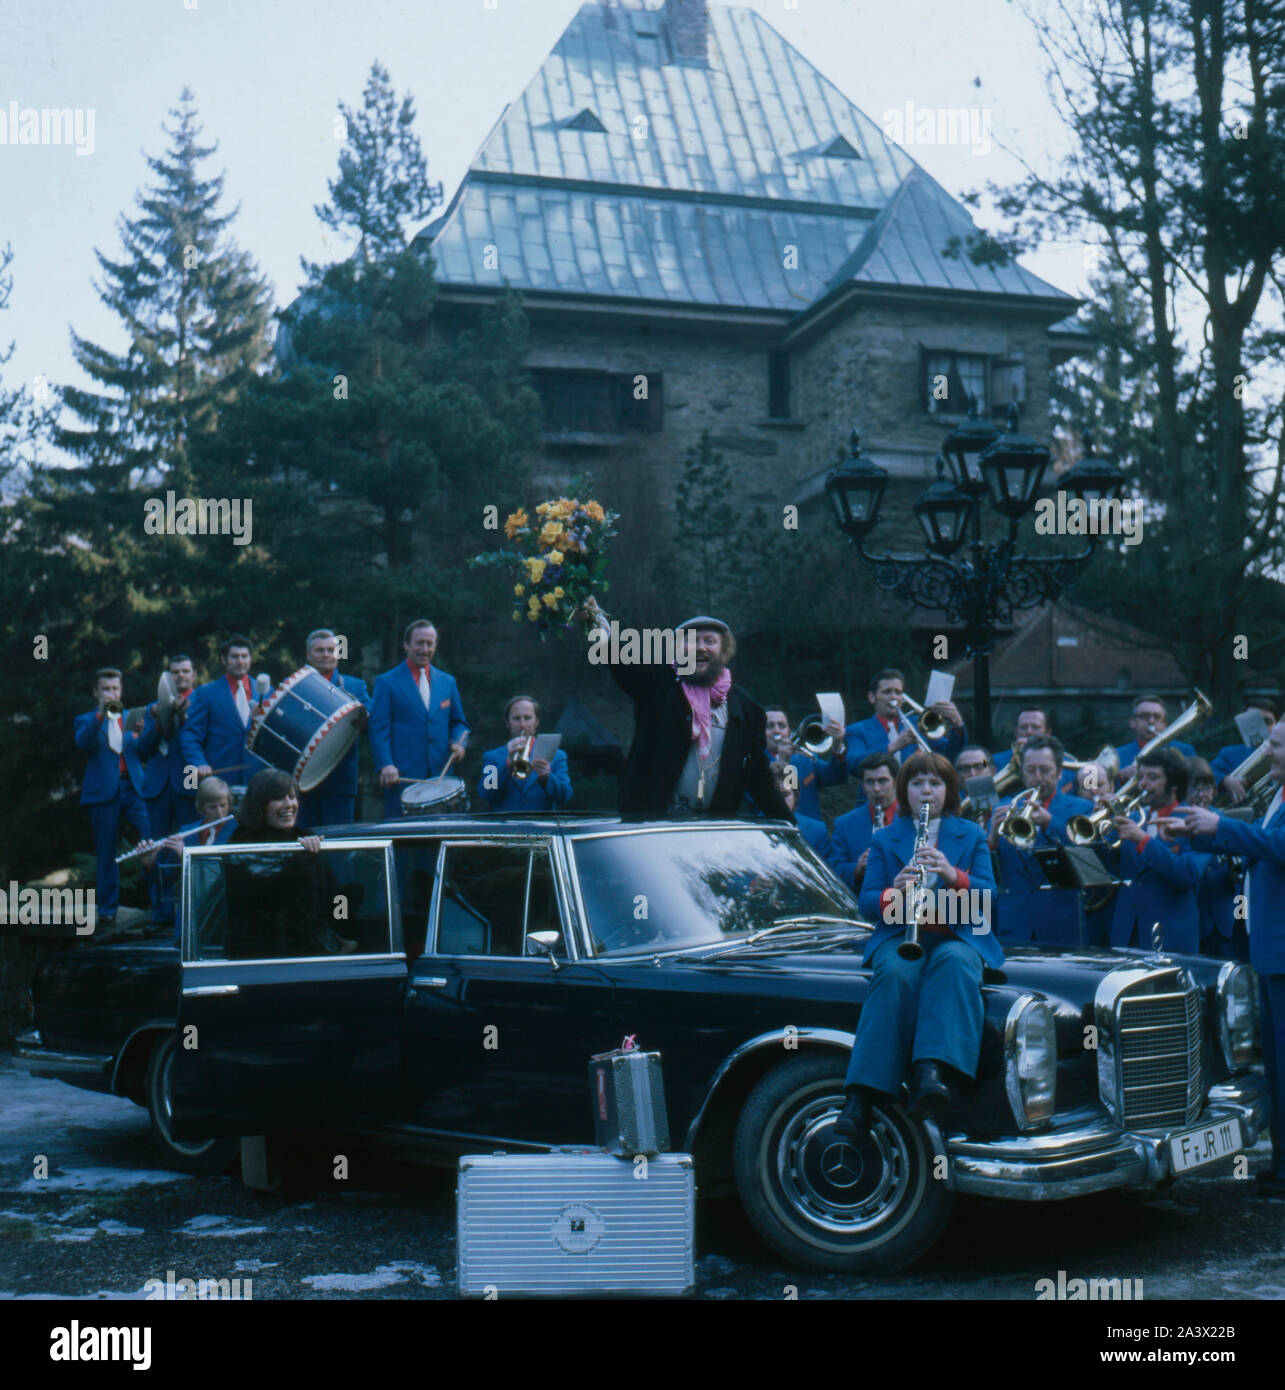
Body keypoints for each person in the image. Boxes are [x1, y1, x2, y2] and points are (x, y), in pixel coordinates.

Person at [833, 751, 1000, 1138]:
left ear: (949, 789)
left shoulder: (971, 834)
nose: (926, 791)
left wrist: (953, 874)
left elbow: (989, 899)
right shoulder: (886, 838)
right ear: (903, 790)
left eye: (936, 783)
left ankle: (932, 1073)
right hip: (902, 931)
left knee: (957, 964)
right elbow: (867, 900)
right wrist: (896, 891)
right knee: (893, 972)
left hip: (957, 932)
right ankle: (862, 1095)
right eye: (917, 783)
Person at [1167, 716, 1285, 1198]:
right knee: (1275, 1065)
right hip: (1270, 947)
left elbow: (1278, 846)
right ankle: (1281, 1166)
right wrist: (1197, 830)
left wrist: (1220, 826)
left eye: (1275, 745)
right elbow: (1261, 844)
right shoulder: (1277, 794)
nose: (1266, 752)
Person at [582, 601, 791, 820]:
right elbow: (618, 659)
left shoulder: (746, 708)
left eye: (710, 641)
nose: (701, 647)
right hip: (652, 829)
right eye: (692, 641)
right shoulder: (657, 686)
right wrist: (594, 619)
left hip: (713, 834)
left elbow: (760, 780)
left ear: (724, 651)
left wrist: (790, 827)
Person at [223, 769, 356, 959]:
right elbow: (262, 904)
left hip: (310, 953)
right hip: (260, 956)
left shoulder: (306, 837)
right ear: (259, 804)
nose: (289, 805)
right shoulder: (240, 843)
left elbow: (333, 899)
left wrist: (344, 933)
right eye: (279, 798)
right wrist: (300, 860)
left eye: (292, 797)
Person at [988, 735, 1093, 947]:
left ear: (1059, 772)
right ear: (1022, 772)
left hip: (1062, 923)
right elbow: (988, 872)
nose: (1037, 777)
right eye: (1030, 770)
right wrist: (991, 839)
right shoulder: (1003, 806)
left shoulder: (1081, 809)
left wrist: (1049, 823)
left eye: (1045, 770)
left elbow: (1088, 865)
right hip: (1014, 922)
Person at [370, 619, 470, 819]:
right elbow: (378, 729)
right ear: (406, 644)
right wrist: (386, 764)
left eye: (429, 643)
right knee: (404, 843)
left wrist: (458, 743)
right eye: (419, 643)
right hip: (402, 780)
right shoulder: (386, 682)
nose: (425, 649)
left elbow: (459, 724)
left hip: (441, 780)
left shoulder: (448, 682)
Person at [75, 667, 150, 930]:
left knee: (152, 841)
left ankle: (160, 903)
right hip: (103, 795)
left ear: (121, 690)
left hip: (134, 789)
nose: (111, 693)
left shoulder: (131, 718)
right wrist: (100, 714)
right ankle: (108, 912)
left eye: (115, 688)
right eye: (106, 689)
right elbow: (83, 743)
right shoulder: (86, 719)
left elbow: (143, 751)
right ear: (96, 692)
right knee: (106, 853)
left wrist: (142, 734)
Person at [1108, 746, 1200, 953]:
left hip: (1172, 935)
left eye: (1153, 777)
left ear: (1174, 783)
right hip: (1127, 933)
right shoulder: (1133, 818)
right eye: (1141, 777)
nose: (1143, 784)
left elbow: (1188, 874)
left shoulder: (1196, 820)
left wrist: (1143, 840)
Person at [136, 777, 235, 939]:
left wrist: (187, 855)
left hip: (223, 915)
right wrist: (151, 863)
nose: (219, 813)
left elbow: (221, 874)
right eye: (212, 807)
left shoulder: (237, 832)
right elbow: (167, 880)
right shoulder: (187, 832)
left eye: (223, 805)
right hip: (191, 917)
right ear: (202, 808)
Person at [297, 628, 372, 829]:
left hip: (340, 782)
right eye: (319, 650)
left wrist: (366, 717)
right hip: (302, 782)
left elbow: (372, 722)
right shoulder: (295, 686)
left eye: (331, 650)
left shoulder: (355, 686)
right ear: (308, 655)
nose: (326, 655)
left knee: (338, 849)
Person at [842, 668, 966, 788]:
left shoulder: (918, 723)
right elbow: (854, 765)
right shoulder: (856, 730)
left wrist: (958, 725)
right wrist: (892, 747)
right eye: (887, 692)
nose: (894, 697)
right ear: (872, 697)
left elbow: (951, 755)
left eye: (898, 692)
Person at [180, 634, 266, 787]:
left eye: (244, 656)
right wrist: (199, 763)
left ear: (250, 659)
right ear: (223, 660)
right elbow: (190, 734)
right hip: (220, 779)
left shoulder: (266, 692)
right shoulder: (206, 693)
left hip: (258, 779)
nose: (240, 661)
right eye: (234, 657)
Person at [1186, 759, 1246, 962]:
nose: (1203, 795)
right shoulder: (1177, 823)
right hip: (1196, 918)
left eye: (1208, 789)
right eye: (1195, 788)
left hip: (1227, 918)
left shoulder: (1225, 820)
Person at [137, 653, 198, 837]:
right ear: (167, 676)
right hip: (158, 782)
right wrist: (159, 721)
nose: (180, 675)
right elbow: (142, 749)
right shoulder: (152, 708)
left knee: (190, 837)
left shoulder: (202, 703)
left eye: (185, 671)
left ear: (194, 674)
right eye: (175, 672)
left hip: (189, 777)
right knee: (157, 842)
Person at [477, 695, 573, 811]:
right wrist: (507, 764)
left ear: (536, 722)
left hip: (542, 827)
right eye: (516, 718)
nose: (522, 724)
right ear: (508, 723)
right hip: (506, 827)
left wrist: (547, 778)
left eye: (527, 718)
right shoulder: (492, 757)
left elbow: (566, 796)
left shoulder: (557, 756)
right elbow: (486, 794)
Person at [763, 704, 846, 822]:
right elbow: (787, 792)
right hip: (774, 828)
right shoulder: (754, 762)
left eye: (782, 726)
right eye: (769, 726)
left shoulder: (805, 759)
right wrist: (784, 762)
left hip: (809, 831)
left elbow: (836, 777)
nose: (777, 730)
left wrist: (838, 744)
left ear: (788, 731)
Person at [827, 753, 897, 889]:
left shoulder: (915, 819)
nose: (876, 789)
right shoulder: (844, 825)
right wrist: (857, 868)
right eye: (870, 782)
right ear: (863, 786)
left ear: (895, 782)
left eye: (883, 781)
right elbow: (834, 871)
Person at [1210, 698, 1278, 804]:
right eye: (1253, 721)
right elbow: (1207, 773)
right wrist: (1225, 780)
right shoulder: (1230, 753)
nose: (1262, 727)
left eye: (1267, 721)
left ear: (1277, 724)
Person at [1115, 695, 1195, 783]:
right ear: (1133, 722)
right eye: (1145, 716)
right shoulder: (1117, 755)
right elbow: (1098, 786)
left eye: (1157, 717)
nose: (1151, 721)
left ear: (1165, 725)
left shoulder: (1185, 751)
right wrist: (1119, 776)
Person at [769, 761, 828, 855]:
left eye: (785, 795)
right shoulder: (752, 826)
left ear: (796, 796)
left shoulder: (817, 831)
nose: (780, 801)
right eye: (775, 795)